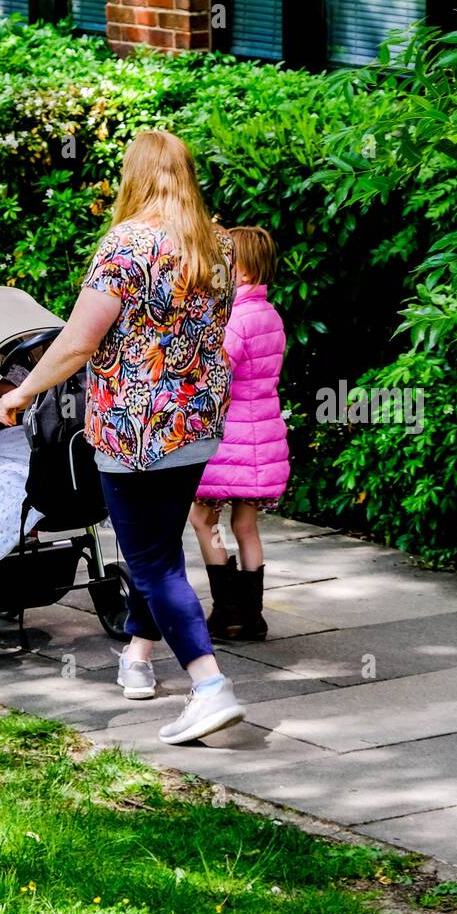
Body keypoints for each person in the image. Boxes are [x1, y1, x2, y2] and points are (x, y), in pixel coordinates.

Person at [0, 129, 245, 744]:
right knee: (157, 549)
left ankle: (209, 685)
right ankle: (137, 655)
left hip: (134, 431)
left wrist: (22, 393)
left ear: (137, 175)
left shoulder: (125, 245)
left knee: (152, 560)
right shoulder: (217, 246)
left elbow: (78, 341)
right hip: (194, 421)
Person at [190, 227, 289, 640]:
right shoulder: (270, 315)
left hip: (229, 441)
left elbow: (216, 375)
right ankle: (252, 618)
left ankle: (226, 610)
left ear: (243, 271)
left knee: (201, 519)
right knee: (246, 527)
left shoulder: (236, 318)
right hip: (262, 440)